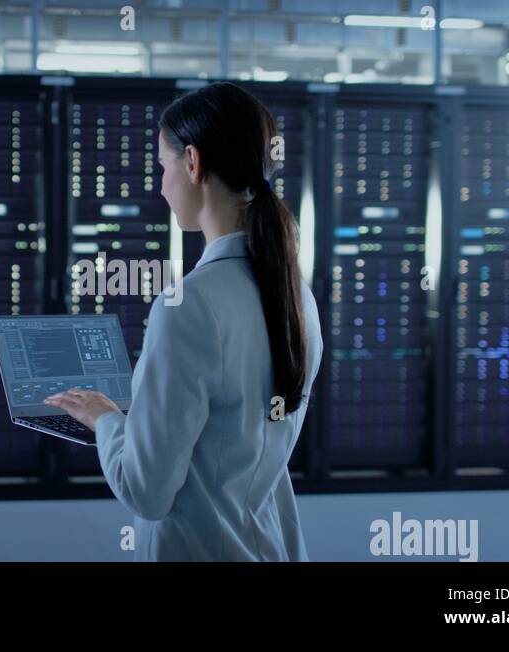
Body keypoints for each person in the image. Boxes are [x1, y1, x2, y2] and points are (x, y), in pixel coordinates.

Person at [45, 81, 323, 561]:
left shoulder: (189, 305)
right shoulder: (297, 295)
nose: (160, 185)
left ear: (192, 163)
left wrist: (106, 419)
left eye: (162, 166)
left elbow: (147, 491)